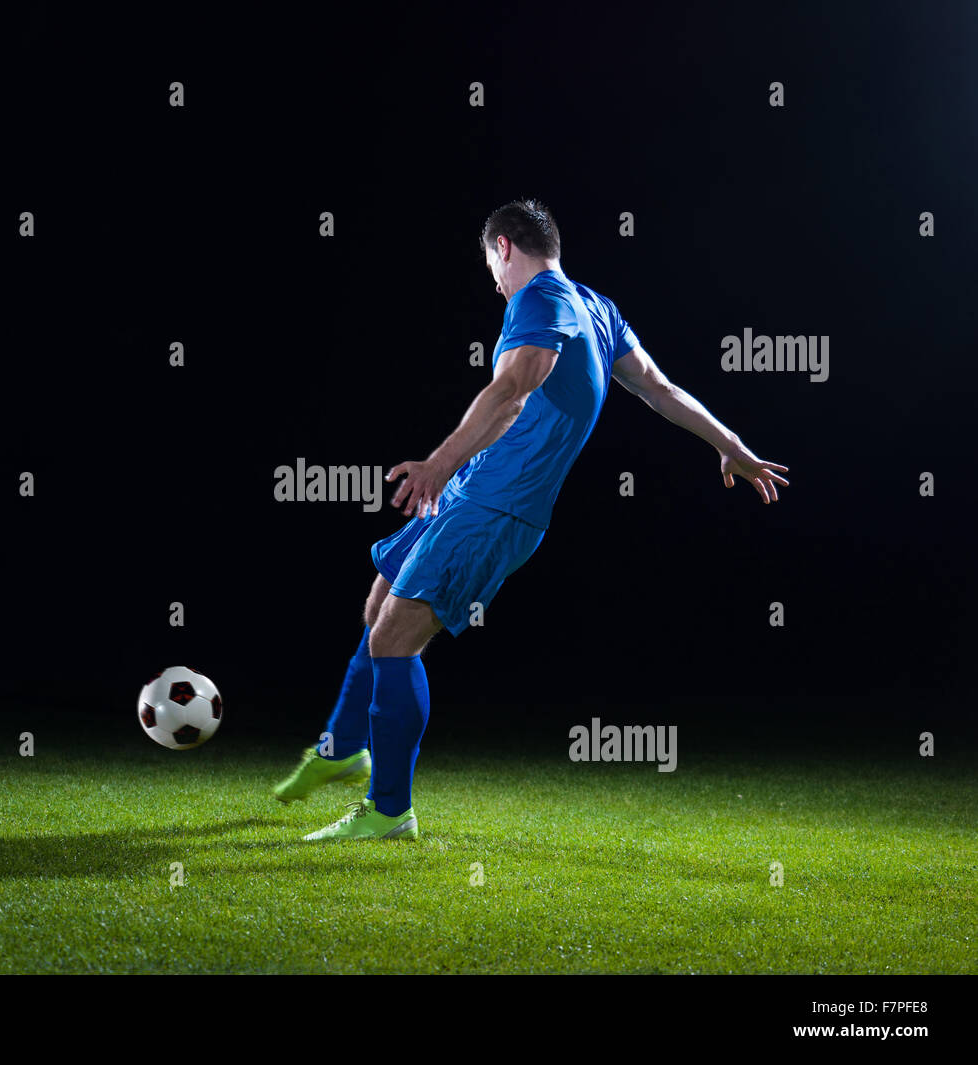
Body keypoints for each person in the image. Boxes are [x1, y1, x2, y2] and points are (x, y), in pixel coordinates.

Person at [273, 199, 790, 841]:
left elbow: (512, 389)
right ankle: (345, 748)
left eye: (489, 260)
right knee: (381, 601)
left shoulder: (542, 302)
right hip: (474, 489)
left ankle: (388, 811)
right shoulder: (597, 307)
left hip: (497, 504)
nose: (491, 277)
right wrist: (728, 442)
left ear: (504, 247)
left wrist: (436, 463)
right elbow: (658, 387)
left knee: (394, 637)